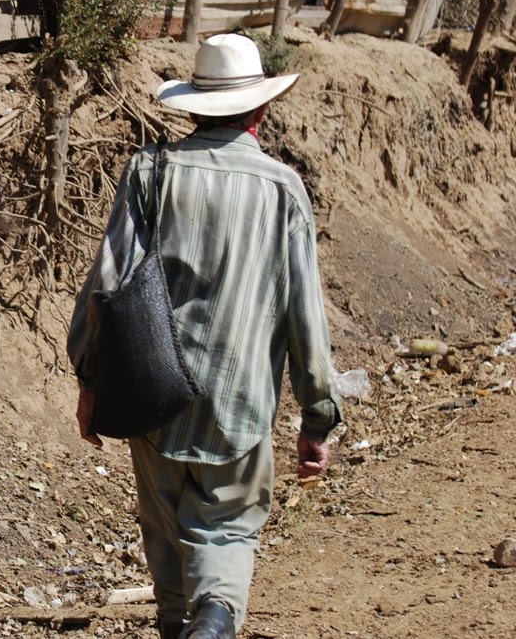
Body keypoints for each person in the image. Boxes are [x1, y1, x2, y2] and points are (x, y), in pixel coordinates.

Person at [67, 34, 342, 639]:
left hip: (152, 394)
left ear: (193, 106)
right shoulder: (282, 189)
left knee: (165, 538)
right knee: (227, 532)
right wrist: (317, 417)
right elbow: (305, 318)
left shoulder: (149, 171)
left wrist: (90, 381)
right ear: (261, 110)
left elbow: (106, 288)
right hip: (239, 408)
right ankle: (215, 620)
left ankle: (181, 624)